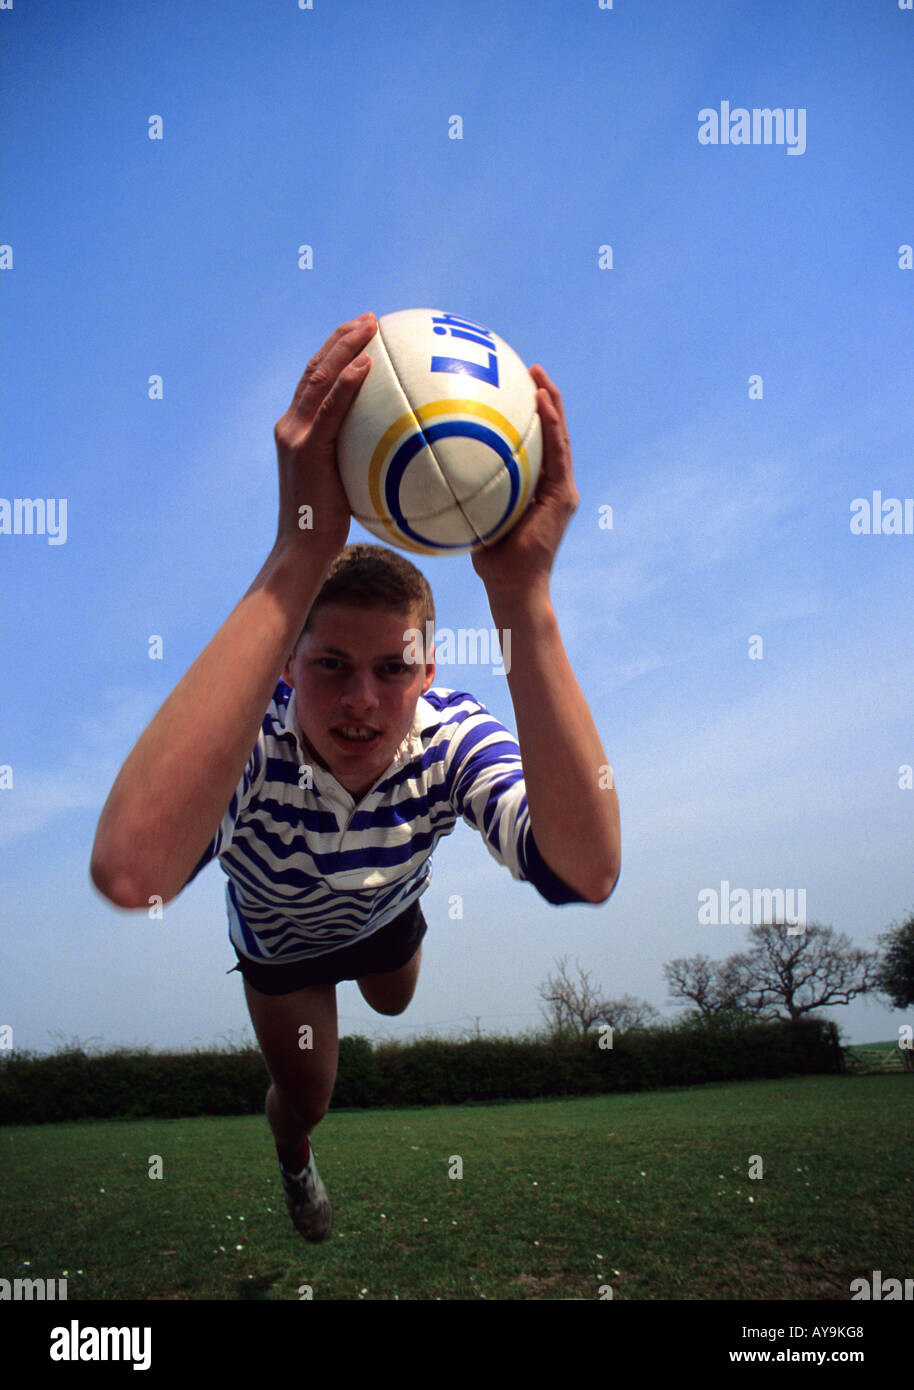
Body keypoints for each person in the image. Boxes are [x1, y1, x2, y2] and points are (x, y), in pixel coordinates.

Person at [90, 311, 621, 1242]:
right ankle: (293, 1160)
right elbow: (132, 871)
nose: (363, 702)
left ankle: (381, 951)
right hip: (285, 951)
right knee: (313, 1095)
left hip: (385, 922)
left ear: (428, 670)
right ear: (287, 665)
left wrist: (523, 598)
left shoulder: (448, 731)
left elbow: (587, 868)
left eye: (393, 670)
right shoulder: (251, 742)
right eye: (331, 664)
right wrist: (300, 550)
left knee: (394, 996)